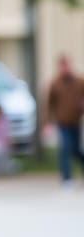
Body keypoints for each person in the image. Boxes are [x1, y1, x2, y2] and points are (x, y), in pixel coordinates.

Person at [46, 55, 84, 186]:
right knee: (65, 148)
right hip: (62, 122)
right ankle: (66, 178)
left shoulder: (79, 81)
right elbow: (49, 105)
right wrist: (48, 123)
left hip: (75, 121)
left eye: (65, 66)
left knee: (76, 150)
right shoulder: (55, 84)